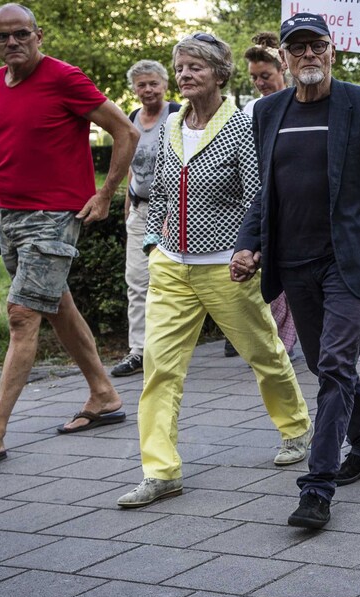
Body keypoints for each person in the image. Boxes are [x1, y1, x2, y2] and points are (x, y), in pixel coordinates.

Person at [115, 32, 313, 508]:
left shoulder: (242, 126)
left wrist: (251, 250)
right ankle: (161, 471)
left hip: (228, 267)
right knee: (159, 371)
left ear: (220, 74)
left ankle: (297, 429)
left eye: (194, 68)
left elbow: (256, 193)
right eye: (180, 68)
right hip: (171, 268)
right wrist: (153, 243)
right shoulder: (169, 126)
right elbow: (159, 189)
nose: (184, 76)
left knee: (264, 354)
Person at [231, 13, 360, 530]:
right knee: (322, 362)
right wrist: (249, 245)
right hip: (293, 262)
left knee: (333, 364)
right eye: (298, 48)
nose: (308, 55)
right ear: (284, 57)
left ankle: (318, 487)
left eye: (318, 46)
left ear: (333, 52)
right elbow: (265, 191)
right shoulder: (268, 111)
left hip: (349, 262)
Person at [0, 3, 138, 467]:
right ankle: (103, 394)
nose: (11, 43)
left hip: (53, 215)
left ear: (39, 35)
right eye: (2, 37)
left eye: (20, 34)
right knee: (54, 303)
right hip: (8, 215)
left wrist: (105, 193)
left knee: (22, 314)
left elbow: (126, 132)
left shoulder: (65, 78)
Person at [111, 60, 180, 379]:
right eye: (141, 84)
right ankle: (138, 350)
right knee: (137, 281)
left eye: (153, 83)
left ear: (165, 84)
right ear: (134, 89)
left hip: (178, 210)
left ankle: (178, 347)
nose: (148, 89)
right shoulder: (132, 120)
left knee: (186, 282)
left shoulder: (180, 114)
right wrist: (127, 202)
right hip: (141, 210)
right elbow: (130, 165)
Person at [241, 31, 300, 362]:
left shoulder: (301, 99)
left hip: (297, 202)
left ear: (282, 70)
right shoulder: (253, 109)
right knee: (271, 274)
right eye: (254, 78)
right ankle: (282, 342)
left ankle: (292, 337)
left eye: (265, 76)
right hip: (265, 200)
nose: (260, 83)